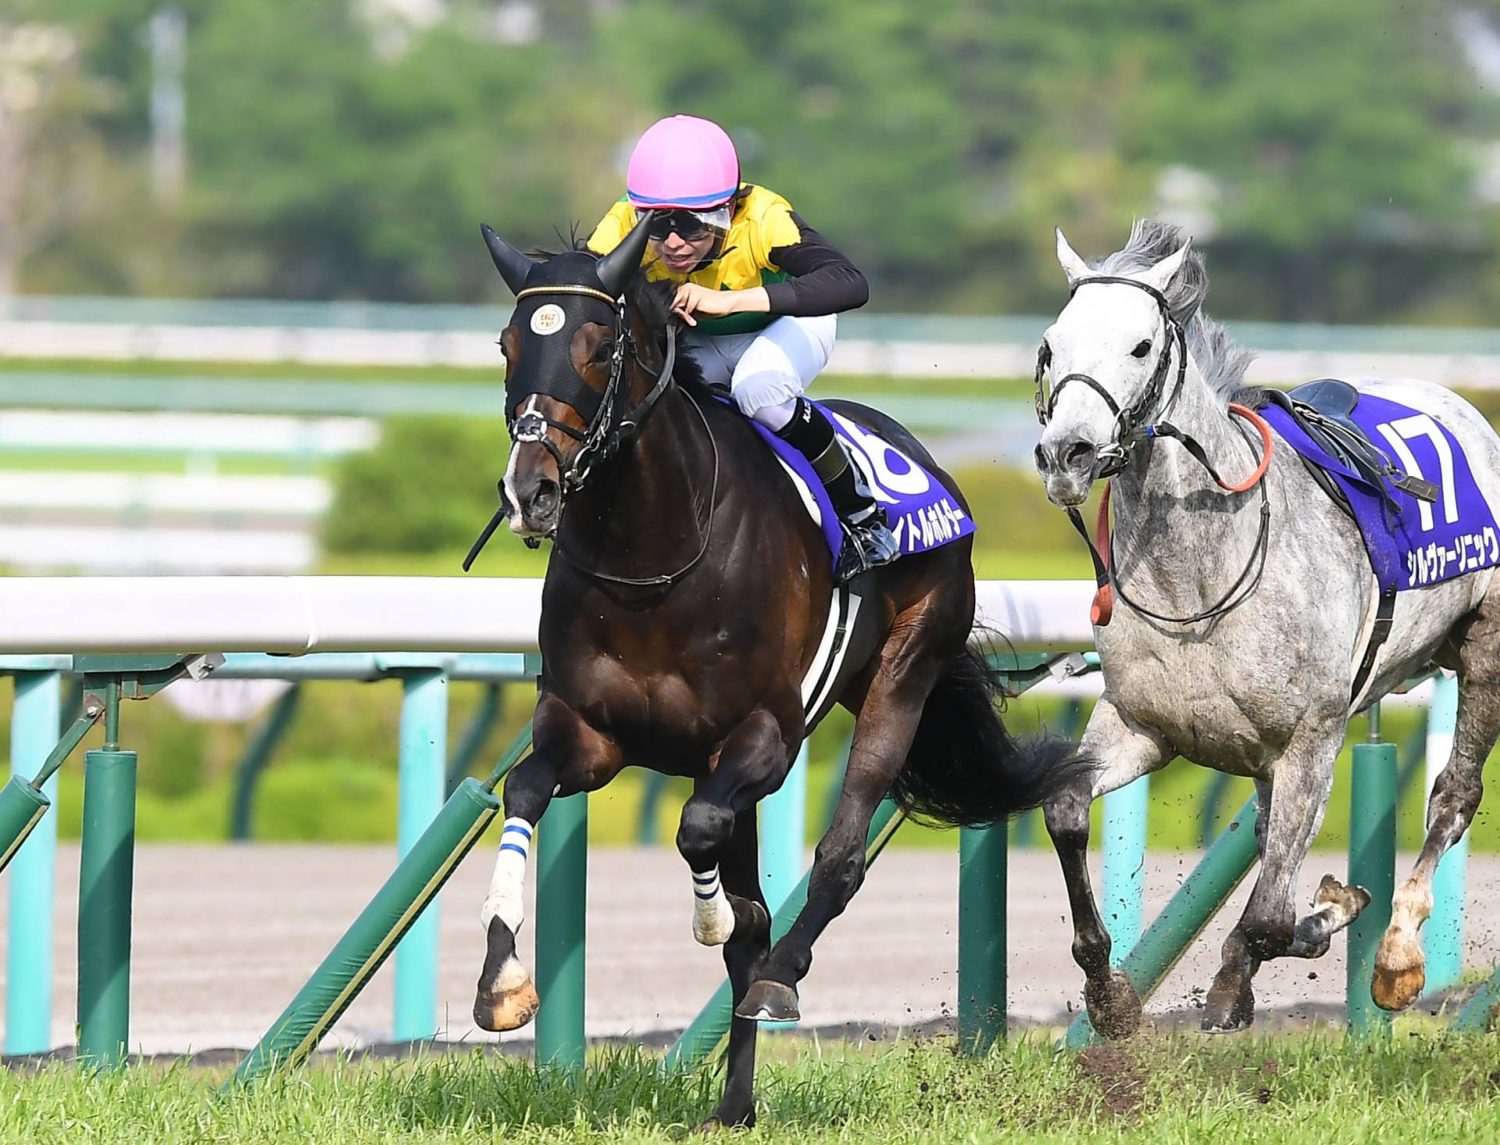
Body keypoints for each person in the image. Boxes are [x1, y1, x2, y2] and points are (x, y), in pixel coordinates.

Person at [587, 114, 899, 583]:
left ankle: (862, 516)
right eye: (658, 225)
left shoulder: (764, 217)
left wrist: (729, 301)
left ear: (729, 208)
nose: (673, 243)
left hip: (788, 323)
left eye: (693, 227)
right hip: (705, 338)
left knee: (761, 392)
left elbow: (850, 283)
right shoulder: (620, 227)